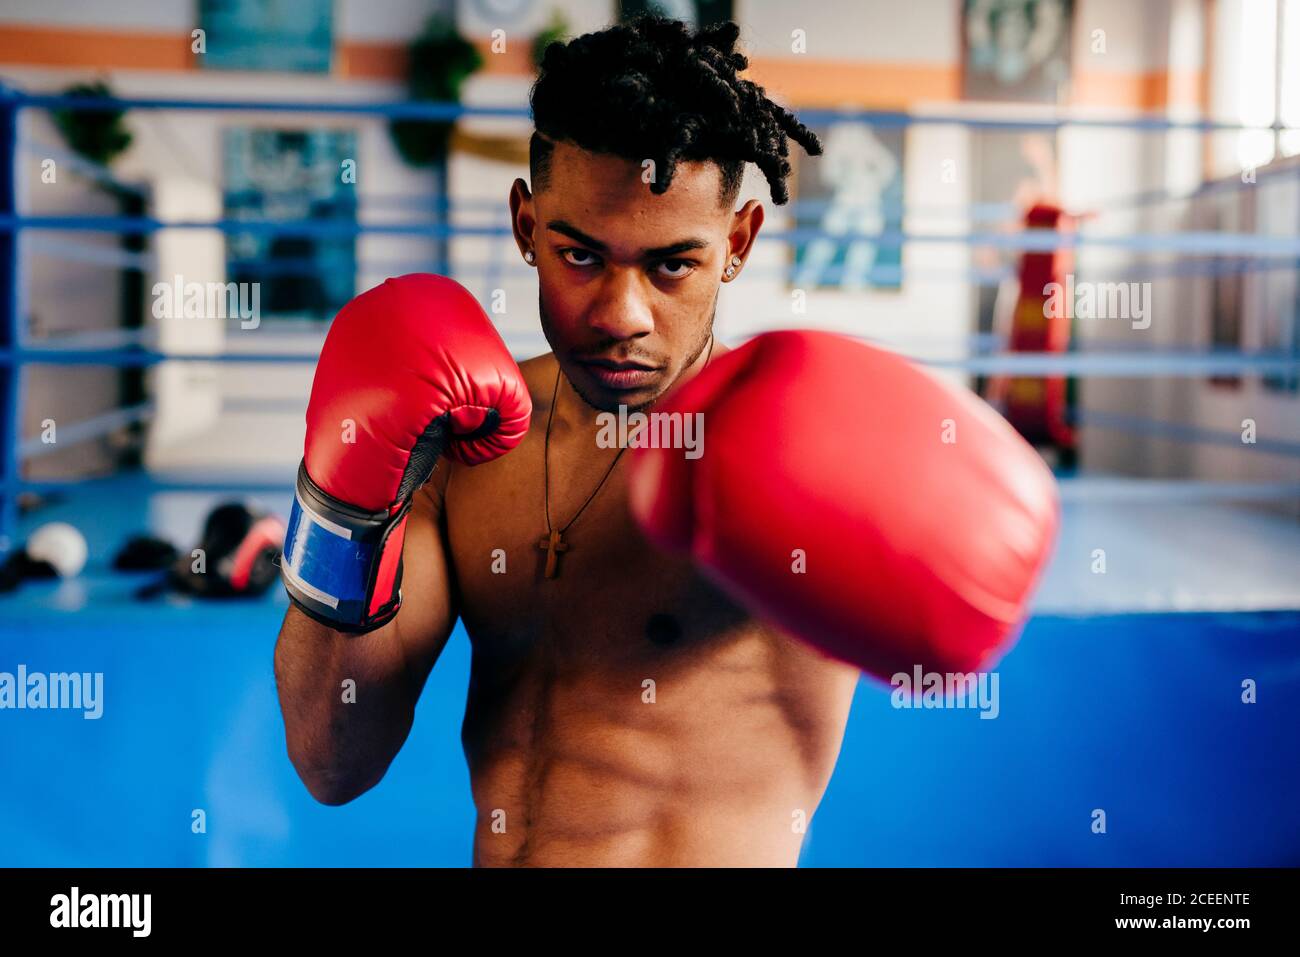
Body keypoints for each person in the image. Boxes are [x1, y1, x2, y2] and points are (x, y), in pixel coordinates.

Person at [273, 16, 1058, 867]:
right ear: (526, 225)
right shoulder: (460, 445)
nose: (621, 315)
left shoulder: (796, 451)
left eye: (670, 265)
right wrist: (343, 506)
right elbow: (331, 759)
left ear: (739, 243)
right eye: (580, 256)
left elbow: (955, 640)